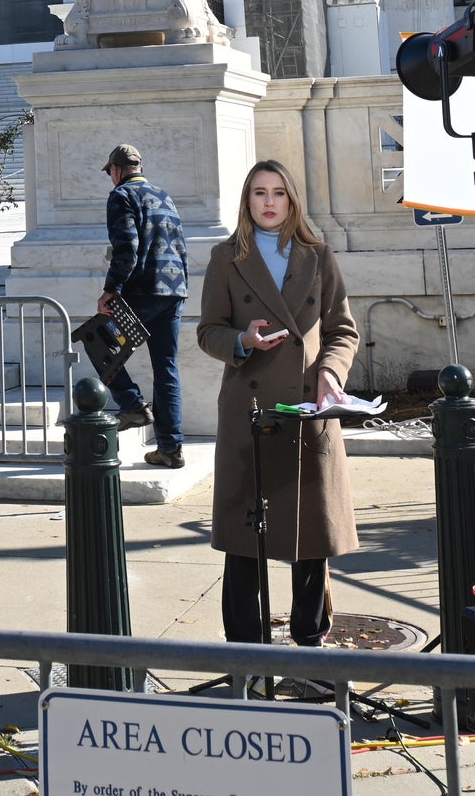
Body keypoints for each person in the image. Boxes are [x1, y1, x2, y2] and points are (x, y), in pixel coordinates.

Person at [196, 158, 358, 646]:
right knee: (244, 536)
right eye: (259, 193)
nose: (269, 203)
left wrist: (330, 373)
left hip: (310, 411)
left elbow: (342, 331)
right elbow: (208, 332)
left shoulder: (318, 256)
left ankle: (311, 644)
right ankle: (246, 649)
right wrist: (242, 340)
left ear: (292, 200)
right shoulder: (226, 258)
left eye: (278, 193)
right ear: (247, 202)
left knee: (312, 534)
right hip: (250, 413)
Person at [97, 143, 188, 468]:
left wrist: (111, 290)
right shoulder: (164, 196)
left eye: (111, 173)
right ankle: (171, 448)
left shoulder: (122, 196)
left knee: (100, 346)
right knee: (166, 370)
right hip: (174, 290)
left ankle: (133, 405)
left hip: (142, 291)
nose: (111, 178)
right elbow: (180, 245)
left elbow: (127, 248)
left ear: (118, 170)